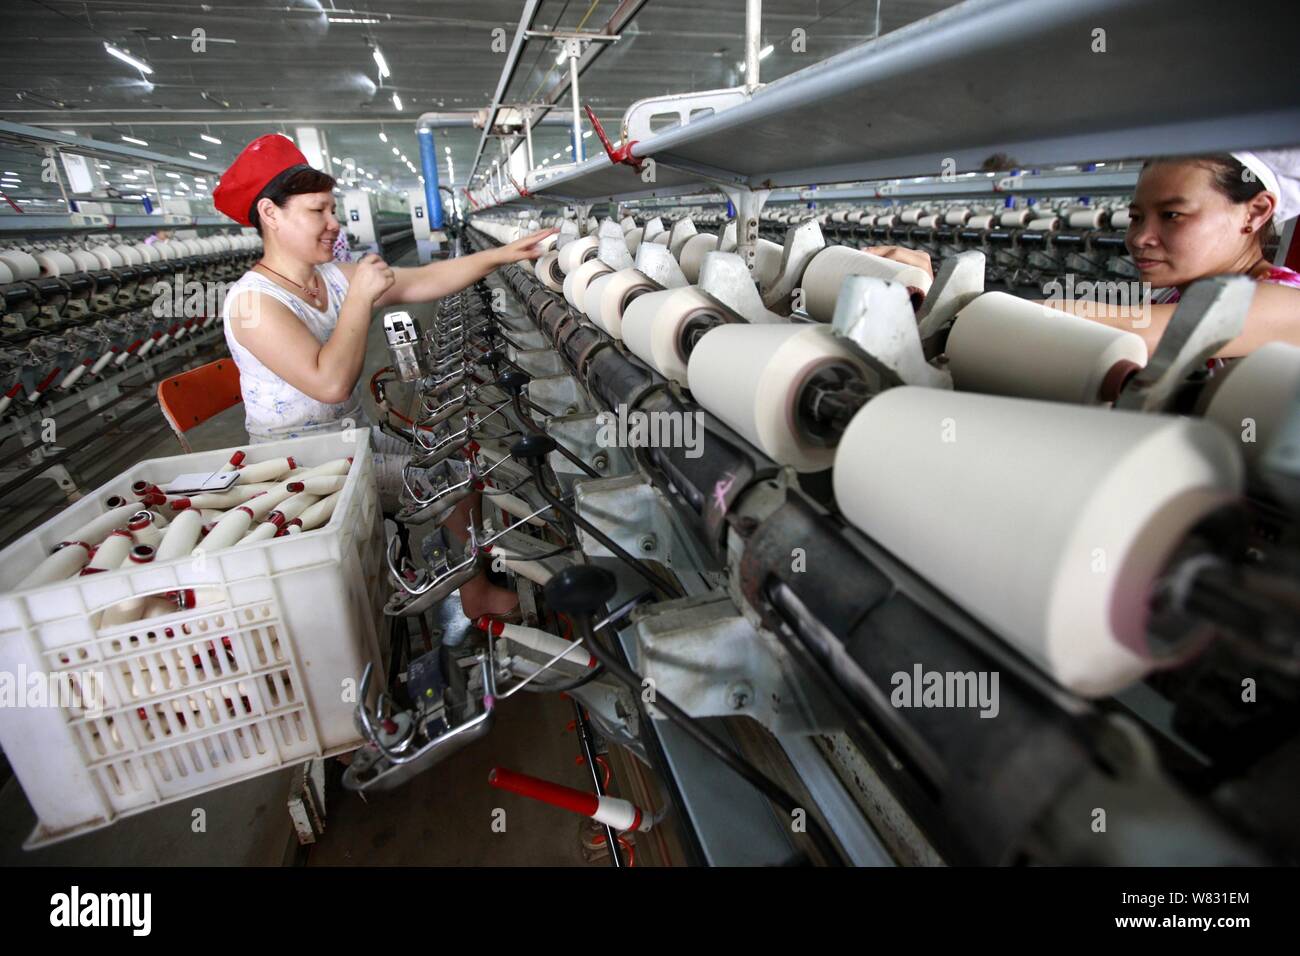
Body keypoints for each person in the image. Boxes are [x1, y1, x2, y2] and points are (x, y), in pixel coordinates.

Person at [214, 134, 555, 619]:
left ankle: (471, 589)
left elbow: (424, 281)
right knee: (451, 482)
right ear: (271, 214)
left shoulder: (329, 277)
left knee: (460, 471)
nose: (335, 223)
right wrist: (360, 297)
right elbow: (328, 382)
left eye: (333, 210)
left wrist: (501, 255)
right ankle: (463, 593)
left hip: (350, 439)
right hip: (300, 464)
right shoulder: (253, 303)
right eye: (319, 211)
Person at [867, 150, 1300, 358]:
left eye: (1171, 215)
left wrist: (951, 298)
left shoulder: (1285, 302)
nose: (1140, 238)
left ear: (1256, 212)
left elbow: (1136, 331)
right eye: (1135, 217)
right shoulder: (1169, 296)